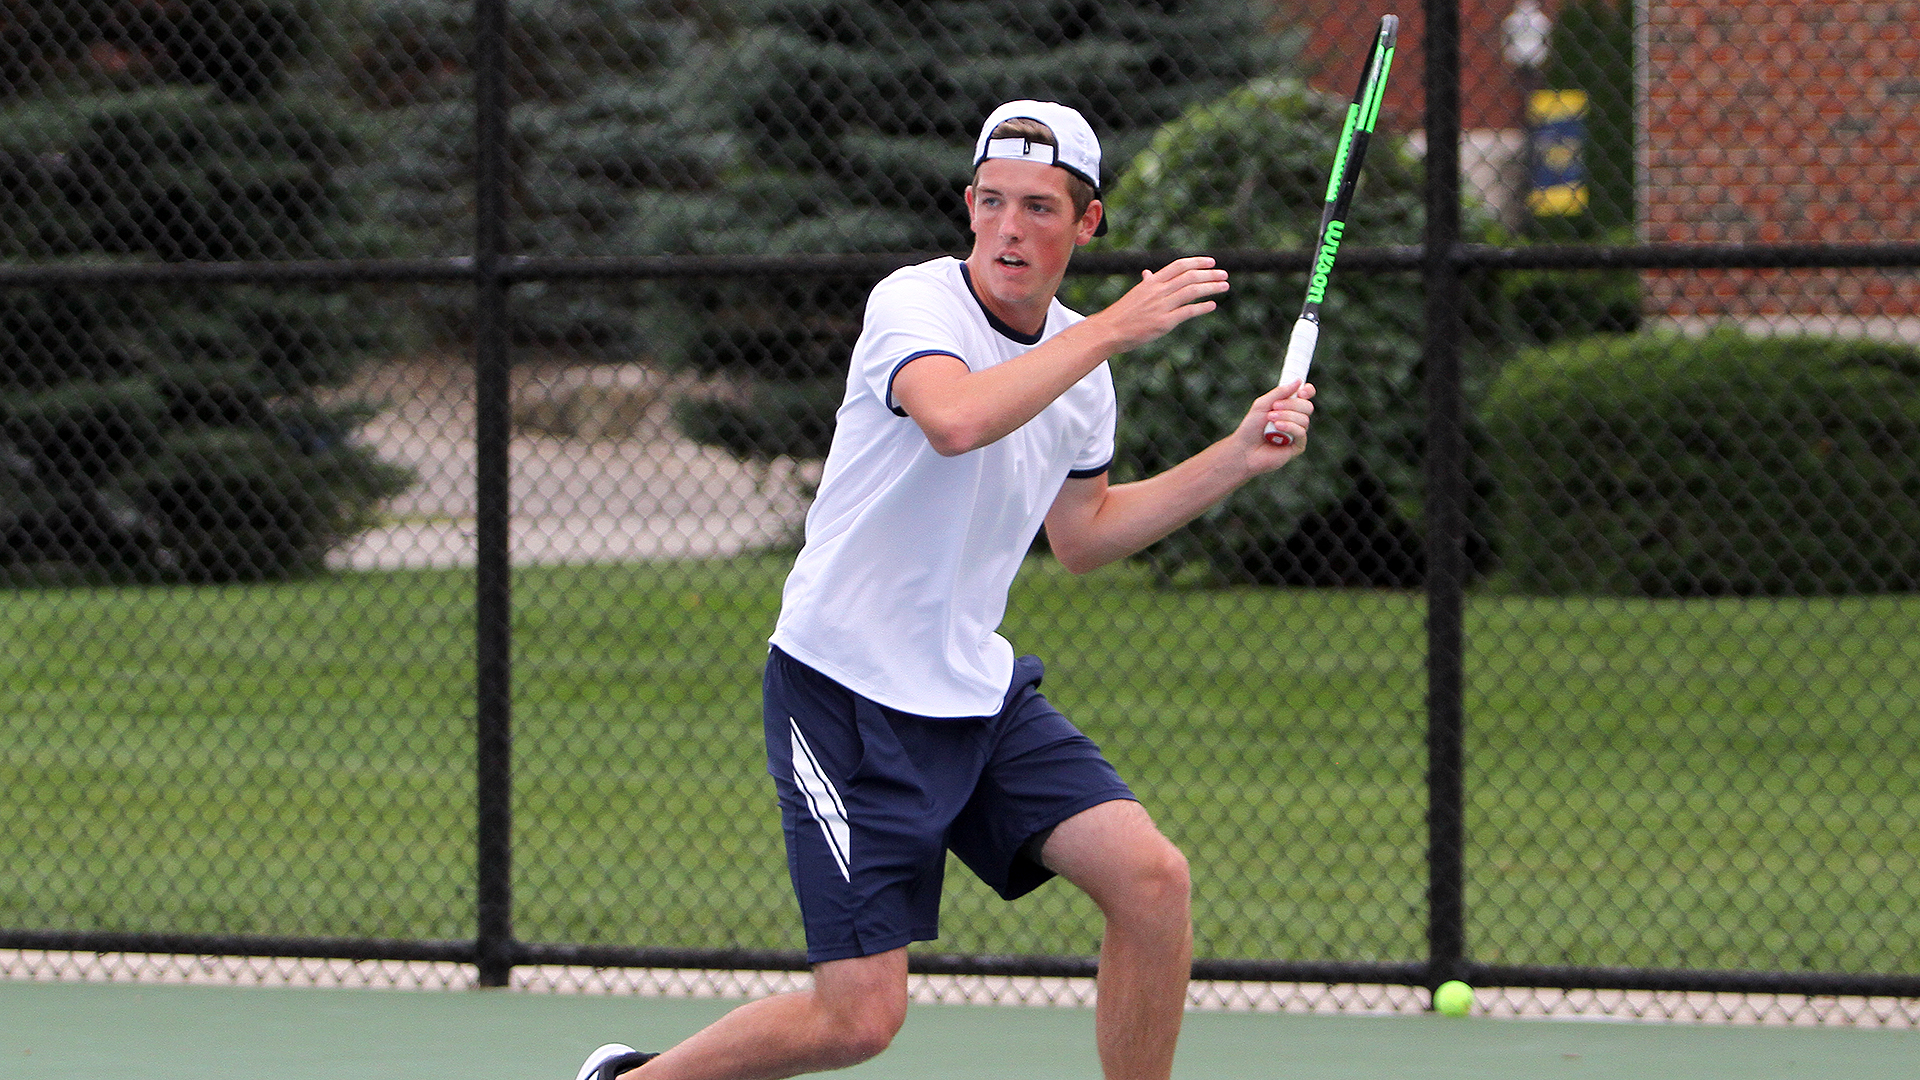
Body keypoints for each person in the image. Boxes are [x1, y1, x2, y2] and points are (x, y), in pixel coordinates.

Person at [575, 99, 1314, 1080]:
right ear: (969, 205)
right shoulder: (916, 305)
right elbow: (956, 419)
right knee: (858, 1020)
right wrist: (1108, 331)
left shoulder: (1081, 370)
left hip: (974, 695)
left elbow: (1084, 536)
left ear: (1087, 223)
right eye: (992, 201)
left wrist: (1234, 457)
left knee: (1151, 882)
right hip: (843, 692)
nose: (1010, 228)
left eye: (1040, 207)